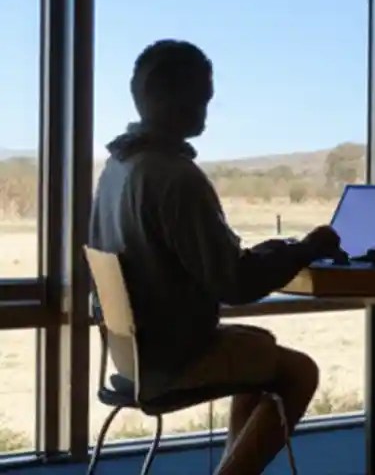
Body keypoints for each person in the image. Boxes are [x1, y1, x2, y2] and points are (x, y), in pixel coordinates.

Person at [88, 40, 344, 475]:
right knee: (299, 372)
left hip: (134, 356)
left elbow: (208, 262)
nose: (207, 105)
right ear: (176, 96)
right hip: (173, 361)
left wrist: (274, 253)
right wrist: (309, 248)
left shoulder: (119, 170)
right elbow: (236, 285)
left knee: (259, 348)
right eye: (202, 95)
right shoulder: (175, 176)